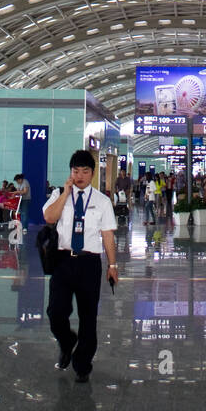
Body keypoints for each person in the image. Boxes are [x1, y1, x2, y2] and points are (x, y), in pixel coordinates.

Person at [43, 150, 118, 384]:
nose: (80, 176)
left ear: (93, 174)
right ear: (70, 172)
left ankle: (82, 364)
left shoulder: (102, 201)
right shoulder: (59, 194)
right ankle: (66, 341)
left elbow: (107, 235)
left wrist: (113, 264)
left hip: (89, 263)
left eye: (85, 171)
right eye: (76, 171)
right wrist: (65, 194)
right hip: (63, 261)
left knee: (88, 317)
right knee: (56, 312)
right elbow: (49, 218)